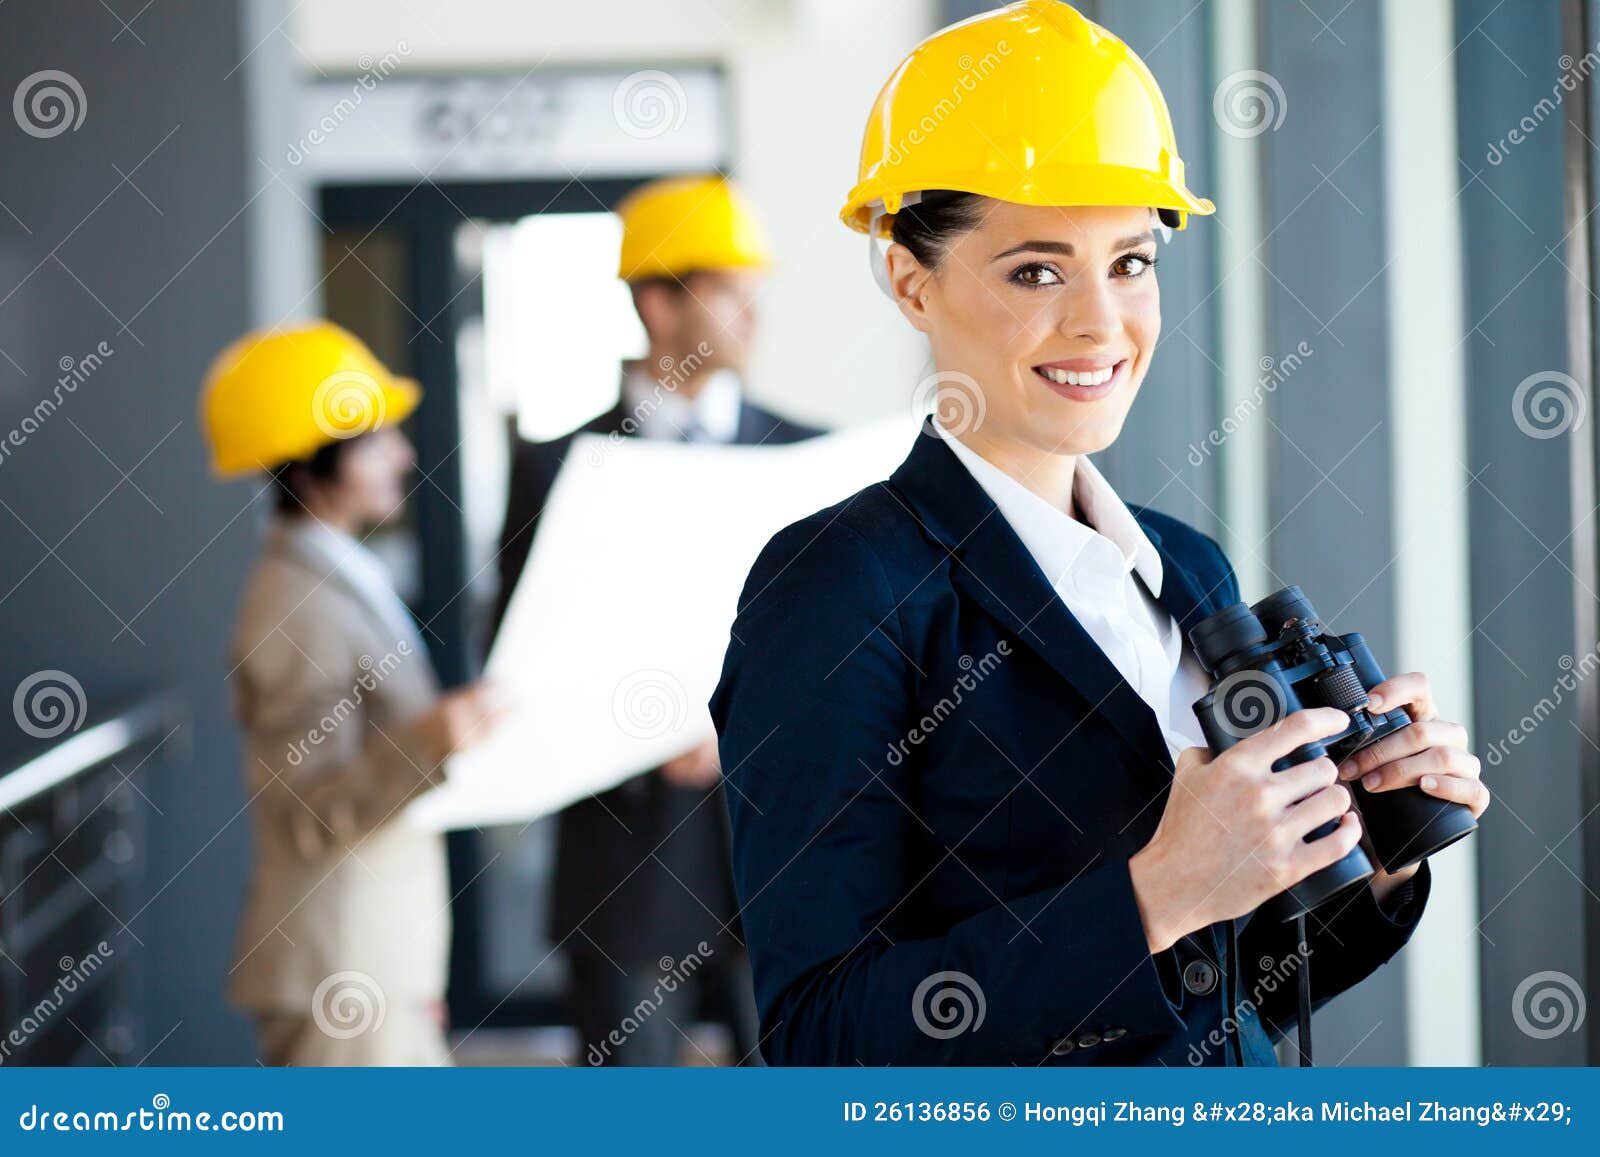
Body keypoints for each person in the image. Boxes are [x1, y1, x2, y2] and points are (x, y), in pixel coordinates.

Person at [708, 0, 1491, 1066]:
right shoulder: (840, 586)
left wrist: (1375, 844)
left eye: (1130, 262)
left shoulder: (1182, 565)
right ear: (909, 279)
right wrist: (1155, 893)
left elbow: (1230, 988)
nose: (1099, 323)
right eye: (1036, 270)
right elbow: (824, 1035)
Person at [495, 174, 822, 1066]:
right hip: (627, 851)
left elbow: (846, 656)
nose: (754, 316)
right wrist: (642, 726)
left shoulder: (810, 456)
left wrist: (745, 729)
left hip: (783, 851)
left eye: (756, 294)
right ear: (656, 302)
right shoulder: (558, 467)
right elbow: (523, 666)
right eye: (729, 292)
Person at [203, 322, 502, 1066]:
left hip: (374, 956)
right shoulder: (292, 604)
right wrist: (436, 734)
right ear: (309, 469)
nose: (404, 454)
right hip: (340, 968)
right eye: (377, 440)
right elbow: (305, 805)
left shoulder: (334, 572)